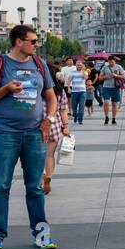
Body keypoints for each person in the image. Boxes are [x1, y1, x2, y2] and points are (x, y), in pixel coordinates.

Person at [0, 25, 58, 249]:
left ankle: (42, 235)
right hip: (4, 134)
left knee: (35, 188)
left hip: (34, 134)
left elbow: (51, 96)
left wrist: (49, 120)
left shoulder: (39, 65)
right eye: (33, 41)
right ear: (19, 42)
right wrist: (5, 89)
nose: (36, 45)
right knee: (1, 187)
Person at [42, 63, 71, 194]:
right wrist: (66, 127)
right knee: (49, 155)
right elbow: (63, 110)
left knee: (36, 155)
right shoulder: (59, 90)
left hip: (37, 123)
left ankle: (41, 174)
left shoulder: (37, 89)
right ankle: (48, 176)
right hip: (54, 124)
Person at [99, 57, 125, 125]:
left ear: (115, 61)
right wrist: (107, 76)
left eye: (112, 62)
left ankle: (114, 118)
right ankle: (106, 116)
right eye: (109, 62)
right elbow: (100, 78)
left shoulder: (119, 67)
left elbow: (123, 77)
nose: (110, 63)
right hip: (106, 87)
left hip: (115, 88)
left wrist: (116, 75)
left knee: (114, 104)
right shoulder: (105, 67)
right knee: (106, 102)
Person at [62, 58, 87, 124]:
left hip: (82, 91)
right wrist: (68, 88)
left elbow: (85, 78)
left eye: (80, 65)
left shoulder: (85, 72)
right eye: (77, 65)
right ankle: (75, 116)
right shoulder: (72, 72)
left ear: (82, 65)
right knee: (74, 106)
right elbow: (69, 80)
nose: (79, 66)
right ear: (75, 66)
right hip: (74, 91)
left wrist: (83, 70)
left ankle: (80, 119)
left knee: (82, 106)